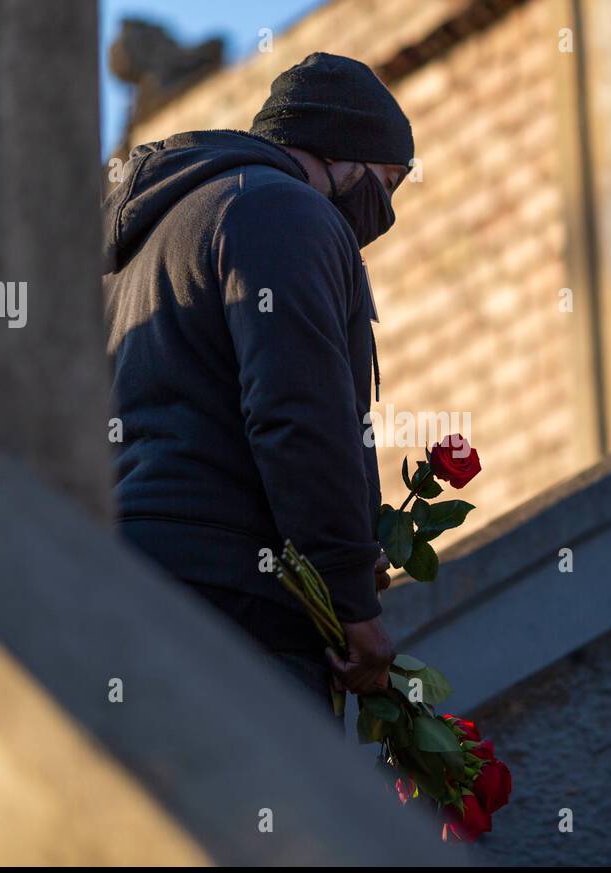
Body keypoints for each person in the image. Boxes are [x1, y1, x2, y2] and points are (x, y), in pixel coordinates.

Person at [102, 52, 412, 709]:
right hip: (237, 601)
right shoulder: (285, 213)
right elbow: (297, 413)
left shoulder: (146, 241)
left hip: (125, 582)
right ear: (341, 153)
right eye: (387, 182)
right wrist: (349, 599)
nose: (385, 211)